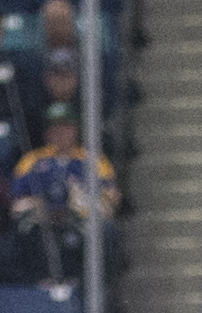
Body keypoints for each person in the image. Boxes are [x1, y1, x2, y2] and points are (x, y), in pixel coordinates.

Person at [11, 102, 120, 282]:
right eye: (55, 128)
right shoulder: (32, 160)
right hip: (43, 218)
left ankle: (94, 287)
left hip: (79, 217)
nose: (61, 133)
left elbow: (111, 197)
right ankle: (30, 285)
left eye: (66, 127)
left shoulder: (93, 160)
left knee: (105, 231)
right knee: (20, 232)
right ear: (47, 132)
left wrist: (80, 198)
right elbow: (17, 200)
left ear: (75, 129)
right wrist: (40, 203)